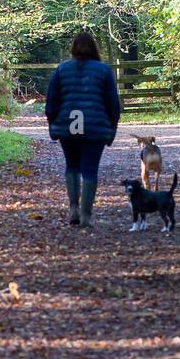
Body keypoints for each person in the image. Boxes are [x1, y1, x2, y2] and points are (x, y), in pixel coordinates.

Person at [44, 32, 121, 227]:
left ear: (73, 48)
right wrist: (112, 128)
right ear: (94, 48)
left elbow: (51, 101)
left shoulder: (62, 69)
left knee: (71, 165)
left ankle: (73, 209)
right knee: (90, 169)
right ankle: (86, 215)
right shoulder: (103, 70)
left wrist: (53, 123)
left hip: (69, 125)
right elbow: (113, 104)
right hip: (95, 127)